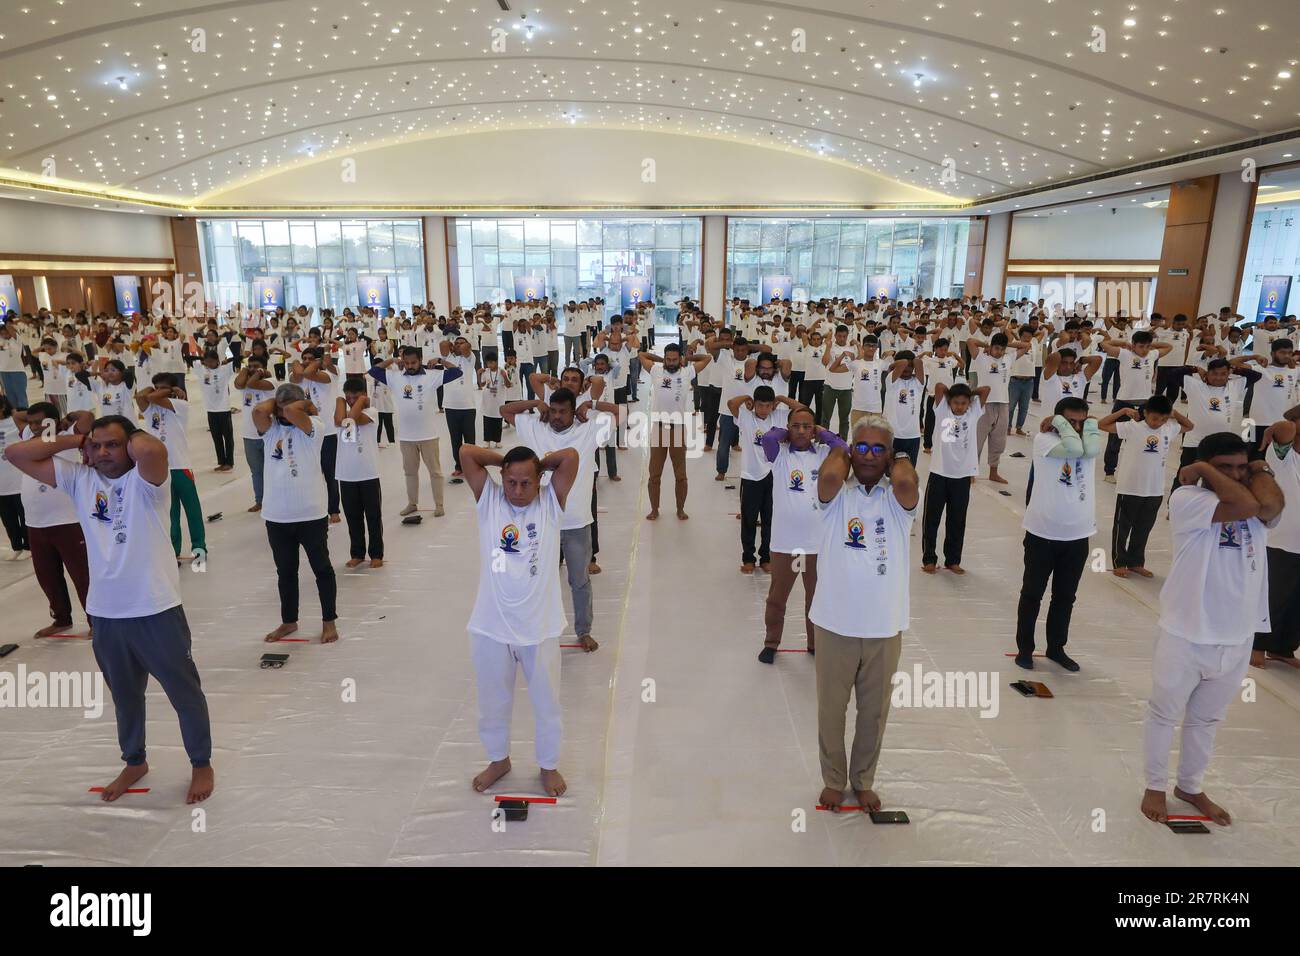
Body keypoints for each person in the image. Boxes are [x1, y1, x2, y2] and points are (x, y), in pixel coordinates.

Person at [4, 411, 215, 804]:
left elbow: (152, 448)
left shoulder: (147, 482)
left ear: (129, 445)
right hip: (105, 613)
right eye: (97, 446)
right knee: (125, 695)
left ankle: (200, 762)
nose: (103, 453)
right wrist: (75, 441)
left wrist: (125, 437)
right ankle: (134, 760)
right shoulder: (81, 480)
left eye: (113, 445)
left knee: (184, 692)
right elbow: (16, 454)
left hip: (155, 609)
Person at [1141, 432, 1284, 826]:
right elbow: (1242, 503)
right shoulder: (1188, 500)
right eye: (1225, 468)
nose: (1236, 475)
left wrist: (1259, 465)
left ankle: (1189, 785)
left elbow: (1271, 504)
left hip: (1237, 636)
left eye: (1241, 467)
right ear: (1205, 470)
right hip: (1186, 633)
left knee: (1206, 720)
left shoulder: (1255, 501)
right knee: (1164, 714)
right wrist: (1202, 469)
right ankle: (1155, 784)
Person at [808, 415, 919, 813]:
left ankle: (863, 779)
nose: (869, 456)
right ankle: (834, 780)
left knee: (874, 713)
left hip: (884, 625)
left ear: (890, 457)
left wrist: (898, 455)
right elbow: (828, 478)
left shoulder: (897, 500)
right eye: (863, 448)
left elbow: (906, 482)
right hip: (835, 623)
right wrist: (844, 451)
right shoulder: (838, 496)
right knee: (831, 711)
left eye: (879, 449)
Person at [461, 443, 580, 798]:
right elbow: (467, 452)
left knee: (546, 703)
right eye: (511, 482)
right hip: (491, 625)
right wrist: (510, 462)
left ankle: (548, 764)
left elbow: (570, 457)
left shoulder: (550, 505)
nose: (517, 490)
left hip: (538, 627)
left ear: (539, 481)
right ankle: (499, 759)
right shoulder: (490, 501)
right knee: (493, 702)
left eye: (526, 483)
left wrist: (535, 465)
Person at [504, 388, 614, 653]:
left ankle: (583, 630)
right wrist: (535, 403)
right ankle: (535, 628)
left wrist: (593, 404)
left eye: (563, 411)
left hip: (577, 523)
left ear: (572, 410)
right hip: (541, 523)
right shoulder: (536, 428)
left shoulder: (587, 431)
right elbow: (505, 411)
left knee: (579, 581)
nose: (556, 416)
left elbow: (622, 413)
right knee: (537, 578)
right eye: (553, 410)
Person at [1015, 397, 1102, 672]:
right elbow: (1074, 448)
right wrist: (1057, 423)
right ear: (1059, 421)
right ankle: (1025, 648)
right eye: (1070, 421)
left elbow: (1086, 448)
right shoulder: (1044, 440)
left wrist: (1088, 426)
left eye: (1081, 422)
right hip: (1043, 533)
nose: (1076, 427)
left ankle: (1056, 647)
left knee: (1065, 597)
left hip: (1078, 535)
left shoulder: (1087, 444)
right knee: (1032, 594)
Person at [252, 385, 339, 644]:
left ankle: (329, 622)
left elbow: (291, 411)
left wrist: (294, 404)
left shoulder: (314, 427)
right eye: (278, 408)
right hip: (277, 515)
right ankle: (289, 620)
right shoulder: (270, 432)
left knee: (321, 569)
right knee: (286, 572)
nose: (282, 412)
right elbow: (258, 410)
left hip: (310, 513)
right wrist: (278, 401)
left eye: (287, 406)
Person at [758, 405, 843, 662]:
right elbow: (768, 438)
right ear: (788, 428)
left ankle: (815, 644)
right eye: (796, 426)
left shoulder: (825, 454)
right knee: (777, 598)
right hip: (785, 543)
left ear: (814, 428)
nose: (802, 431)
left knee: (815, 599)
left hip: (816, 544)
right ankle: (771, 643)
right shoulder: (780, 454)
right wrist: (785, 432)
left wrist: (823, 433)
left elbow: (846, 451)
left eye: (808, 426)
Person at [12, 402, 89, 635]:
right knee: (47, 576)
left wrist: (68, 417)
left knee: (82, 575)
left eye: (40, 422)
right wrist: (36, 421)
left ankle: (97, 621)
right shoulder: (28, 435)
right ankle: (61, 618)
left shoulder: (67, 435)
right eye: (32, 422)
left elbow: (88, 417)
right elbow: (17, 416)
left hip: (67, 520)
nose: (34, 426)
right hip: (36, 522)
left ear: (54, 421)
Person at [1098, 397, 1192, 577]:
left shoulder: (1169, 428)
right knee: (1122, 527)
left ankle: (1136, 562)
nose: (1159, 423)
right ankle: (1119, 562)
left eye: (1163, 419)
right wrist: (1123, 412)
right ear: (1146, 413)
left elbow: (1190, 426)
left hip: (1154, 489)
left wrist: (1175, 414)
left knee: (1143, 528)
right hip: (1130, 488)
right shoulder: (1133, 427)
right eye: (1155, 418)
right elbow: (1102, 425)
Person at [368, 346, 461, 518]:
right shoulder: (394, 377)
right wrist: (391, 360)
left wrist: (440, 361)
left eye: (414, 362)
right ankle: (412, 503)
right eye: (407, 362)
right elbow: (373, 370)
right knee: (410, 472)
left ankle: (439, 505)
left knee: (435, 472)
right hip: (406, 436)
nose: (410, 366)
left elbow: (457, 373)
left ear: (420, 360)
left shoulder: (432, 376)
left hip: (428, 435)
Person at [729, 385, 800, 573]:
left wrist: (783, 398)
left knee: (770, 519)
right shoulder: (746, 417)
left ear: (773, 406)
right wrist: (745, 397)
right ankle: (748, 557)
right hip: (750, 476)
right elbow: (730, 404)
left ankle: (766, 557)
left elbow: (802, 410)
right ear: (754, 405)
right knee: (749, 520)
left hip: (774, 476)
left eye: (768, 405)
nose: (764, 409)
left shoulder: (779, 417)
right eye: (760, 405)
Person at [921, 381, 990, 574]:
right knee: (932, 519)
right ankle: (929, 559)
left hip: (962, 476)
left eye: (963, 403)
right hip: (939, 473)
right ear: (949, 402)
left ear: (969, 404)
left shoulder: (973, 413)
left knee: (957, 520)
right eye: (956, 403)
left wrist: (969, 393)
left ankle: (953, 559)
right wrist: (952, 394)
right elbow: (940, 386)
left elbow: (986, 389)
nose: (959, 406)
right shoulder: (942, 410)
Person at [136, 372, 206, 562]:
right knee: (170, 511)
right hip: (161, 469)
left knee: (192, 509)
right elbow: (141, 396)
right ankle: (173, 549)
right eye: (156, 387)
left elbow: (150, 396)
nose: (158, 392)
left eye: (163, 388)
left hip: (181, 465)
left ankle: (199, 546)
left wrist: (165, 392)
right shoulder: (151, 410)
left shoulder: (180, 406)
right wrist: (161, 389)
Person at [640, 342, 711, 521]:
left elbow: (707, 358)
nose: (671, 363)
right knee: (654, 474)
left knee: (680, 475)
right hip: (658, 428)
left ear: (679, 359)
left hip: (678, 428)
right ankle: (654, 509)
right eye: (668, 359)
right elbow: (642, 355)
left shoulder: (687, 372)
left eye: (674, 359)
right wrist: (660, 360)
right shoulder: (656, 371)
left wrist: (688, 358)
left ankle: (680, 509)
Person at [1253, 411, 1300, 668]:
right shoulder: (1282, 456)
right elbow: (1284, 428)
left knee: (1296, 602)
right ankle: (1258, 645)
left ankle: (1284, 648)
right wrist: (1289, 423)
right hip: (1281, 541)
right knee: (1274, 597)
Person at [335, 379, 383, 569]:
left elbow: (350, 421)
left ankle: (376, 553)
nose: (351, 399)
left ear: (364, 394)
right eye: (348, 396)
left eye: (356, 396)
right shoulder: (342, 411)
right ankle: (357, 552)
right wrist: (340, 400)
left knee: (373, 516)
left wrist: (362, 402)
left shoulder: (372, 413)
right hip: (346, 474)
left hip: (368, 473)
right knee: (352, 516)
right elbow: (341, 421)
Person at [290, 346, 342, 523]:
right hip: (306, 433)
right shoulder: (299, 378)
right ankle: (311, 507)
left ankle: (334, 510)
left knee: (330, 474)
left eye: (309, 358)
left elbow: (309, 373)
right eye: (303, 358)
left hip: (327, 433)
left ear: (318, 361)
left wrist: (316, 362)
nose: (305, 362)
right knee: (308, 473)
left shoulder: (327, 376)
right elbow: (296, 374)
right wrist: (299, 362)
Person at [234, 356, 276, 512]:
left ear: (264, 367)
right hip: (249, 435)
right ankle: (260, 501)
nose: (252, 369)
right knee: (256, 472)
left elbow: (253, 382)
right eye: (249, 366)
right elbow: (238, 383)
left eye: (256, 366)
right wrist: (246, 369)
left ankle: (274, 499)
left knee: (273, 469)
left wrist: (258, 372)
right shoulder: (245, 383)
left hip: (269, 435)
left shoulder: (271, 382)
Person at [195, 349, 236, 473]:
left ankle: (229, 462)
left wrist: (225, 361)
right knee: (216, 437)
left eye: (212, 361)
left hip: (224, 408)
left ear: (217, 360)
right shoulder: (201, 370)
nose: (209, 364)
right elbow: (191, 359)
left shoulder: (225, 369)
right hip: (210, 409)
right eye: (206, 362)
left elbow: (235, 358)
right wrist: (202, 361)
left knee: (227, 437)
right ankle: (221, 461)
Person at [0, 396, 29, 558]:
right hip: (1, 483)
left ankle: (29, 546)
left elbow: (35, 414)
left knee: (24, 515)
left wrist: (16, 413)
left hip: (19, 479)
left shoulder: (15, 422)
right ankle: (16, 545)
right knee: (8, 518)